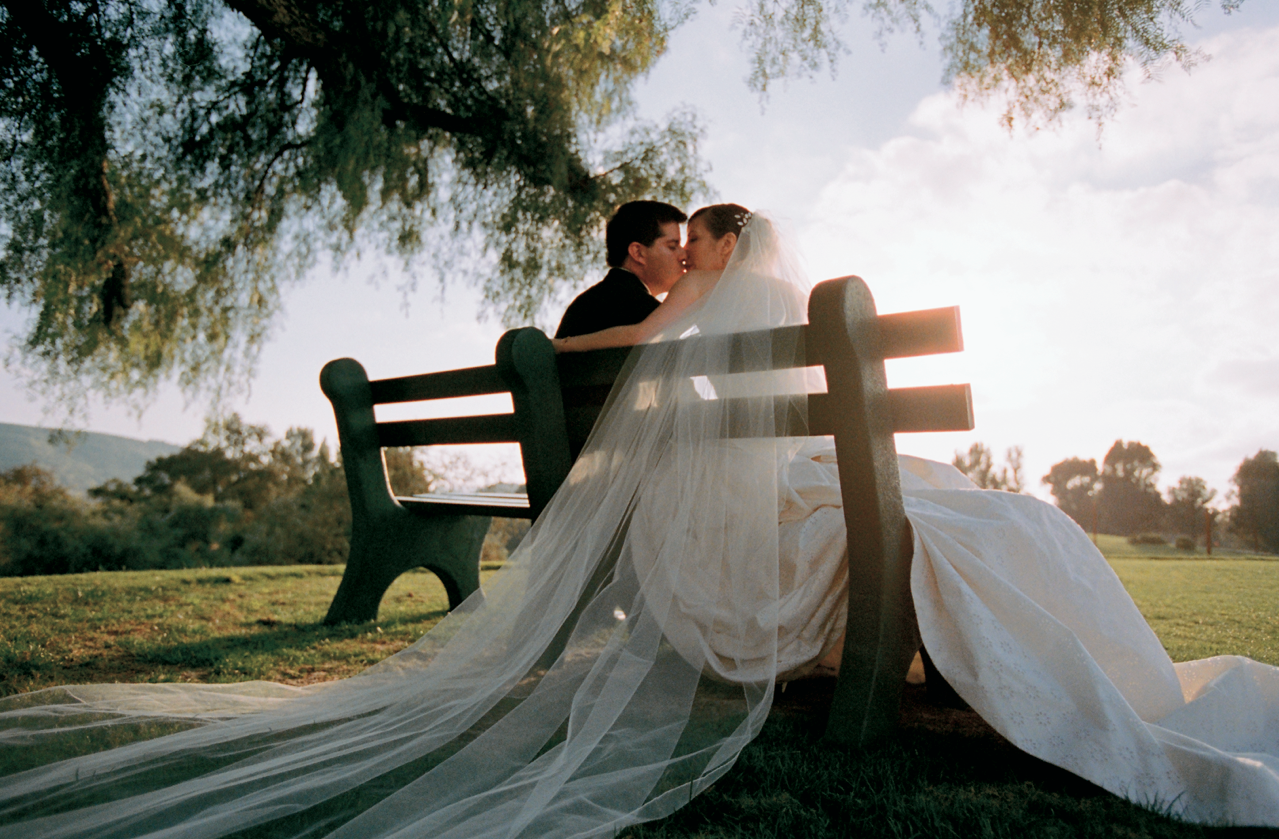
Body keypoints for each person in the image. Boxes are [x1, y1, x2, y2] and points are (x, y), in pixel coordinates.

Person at [3, 212, 1278, 838]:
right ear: (661, 246)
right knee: (980, 514)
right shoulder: (659, 300)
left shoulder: (672, 306)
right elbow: (628, 354)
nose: (678, 253)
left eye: (689, 241)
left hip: (663, 476)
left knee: (967, 513)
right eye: (669, 240)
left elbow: (617, 366)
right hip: (699, 483)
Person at [553, 200, 688, 340]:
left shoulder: (588, 301)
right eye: (672, 246)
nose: (684, 255)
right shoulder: (645, 313)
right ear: (638, 253)